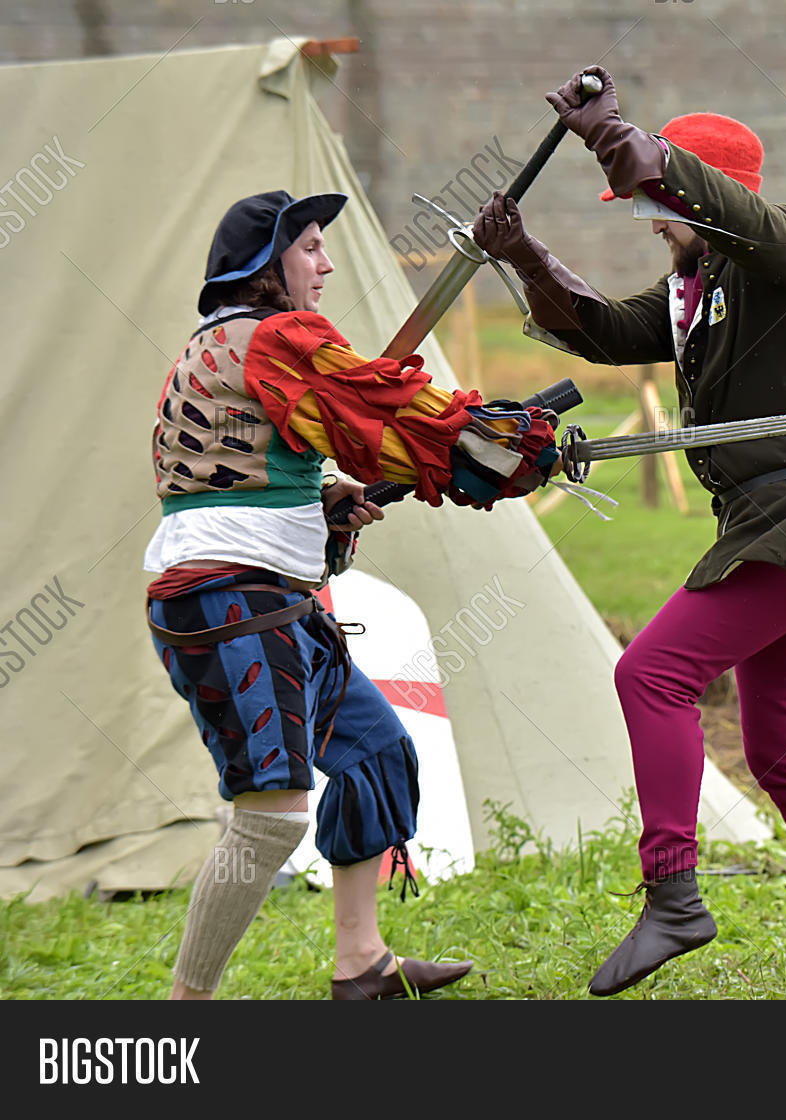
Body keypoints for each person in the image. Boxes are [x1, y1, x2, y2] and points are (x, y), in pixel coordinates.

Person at [472, 66, 786, 997]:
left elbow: (710, 204)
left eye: (657, 207)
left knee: (652, 673)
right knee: (784, 750)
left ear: (701, 195)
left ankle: (675, 898)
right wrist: (523, 254)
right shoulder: (695, 297)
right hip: (777, 526)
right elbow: (596, 329)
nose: (652, 224)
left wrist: (617, 139)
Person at [146, 189, 559, 1000]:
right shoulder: (274, 337)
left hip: (273, 598)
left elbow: (245, 470)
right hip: (226, 599)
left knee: (375, 754)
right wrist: (481, 445)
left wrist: (327, 498)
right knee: (272, 818)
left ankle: (361, 964)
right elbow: (379, 409)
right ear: (266, 266)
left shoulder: (227, 346)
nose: (326, 263)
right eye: (308, 247)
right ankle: (186, 1008)